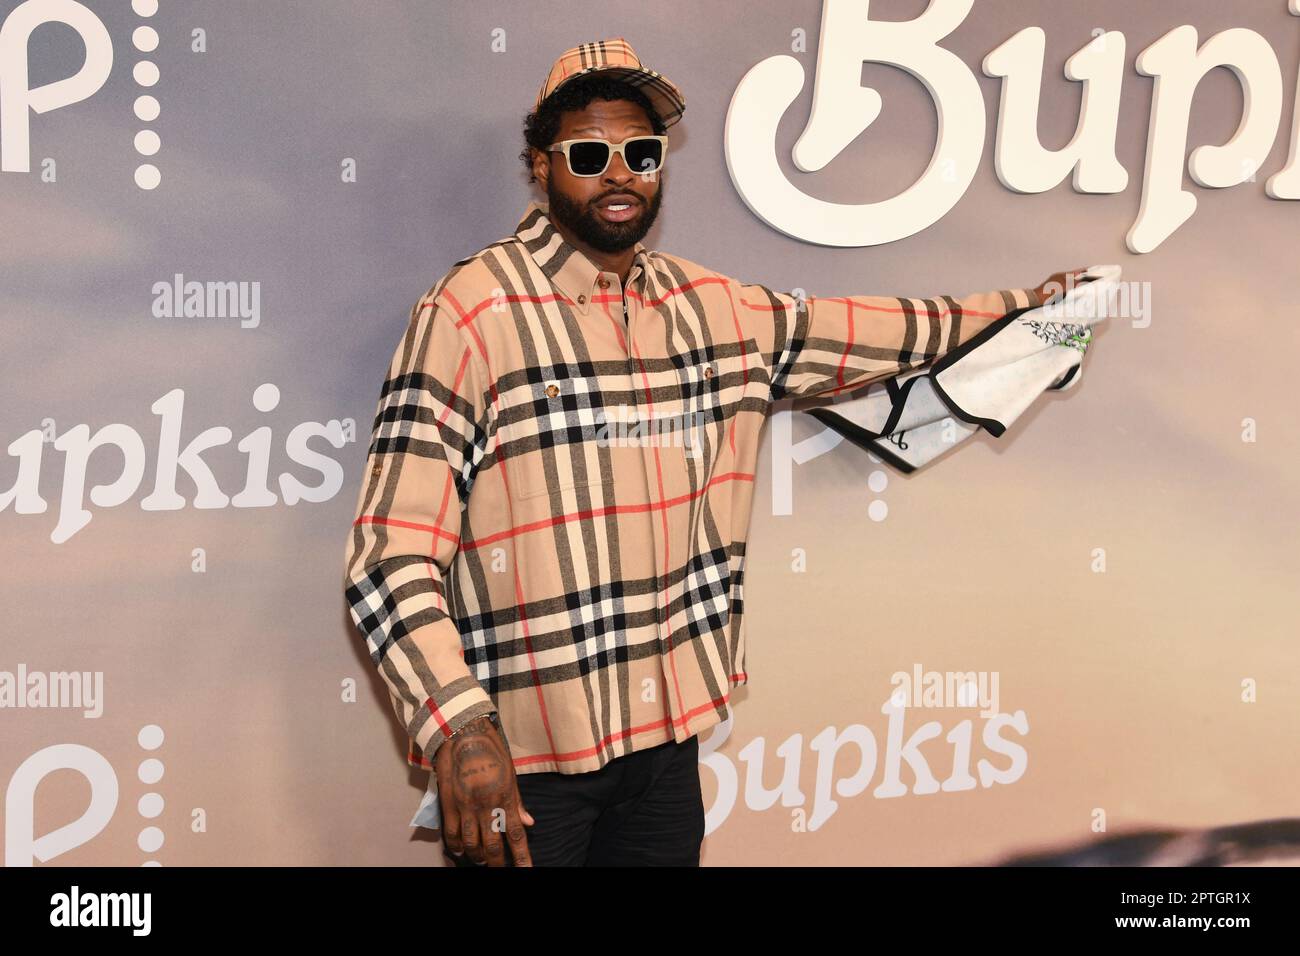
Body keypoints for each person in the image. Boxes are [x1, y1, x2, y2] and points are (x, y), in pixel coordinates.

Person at [343, 37, 1083, 867]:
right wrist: (459, 727)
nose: (618, 173)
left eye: (641, 151)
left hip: (664, 754)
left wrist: (1032, 312)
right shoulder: (469, 312)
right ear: (540, 167)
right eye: (589, 153)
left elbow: (884, 330)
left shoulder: (715, 309)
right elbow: (391, 549)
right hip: (526, 761)